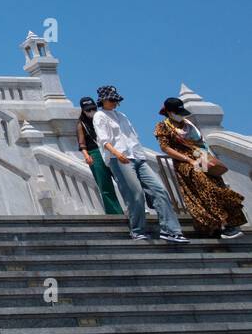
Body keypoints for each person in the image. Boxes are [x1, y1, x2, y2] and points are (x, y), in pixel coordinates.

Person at [92, 85, 187, 243]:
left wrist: (141, 156)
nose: (115, 102)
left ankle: (170, 230)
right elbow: (103, 140)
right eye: (111, 99)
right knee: (135, 194)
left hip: (137, 157)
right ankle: (137, 230)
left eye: (116, 99)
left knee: (160, 190)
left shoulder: (121, 115)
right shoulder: (99, 116)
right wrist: (117, 154)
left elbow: (133, 136)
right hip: (119, 158)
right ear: (103, 100)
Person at [154, 97, 246, 240]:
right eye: (177, 112)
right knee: (206, 189)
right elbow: (165, 147)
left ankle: (229, 224)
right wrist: (188, 159)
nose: (181, 115)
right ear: (170, 112)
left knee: (217, 185)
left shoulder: (188, 125)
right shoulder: (163, 126)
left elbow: (201, 144)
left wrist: (206, 158)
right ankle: (217, 225)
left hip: (201, 158)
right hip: (185, 163)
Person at [76, 96, 123, 215]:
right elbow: (82, 143)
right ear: (82, 110)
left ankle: (135, 208)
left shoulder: (103, 118)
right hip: (95, 153)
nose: (91, 112)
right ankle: (115, 213)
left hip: (110, 151)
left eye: (93, 109)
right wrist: (86, 155)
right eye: (88, 110)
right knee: (105, 184)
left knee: (123, 180)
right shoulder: (81, 124)